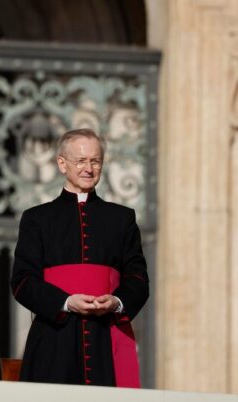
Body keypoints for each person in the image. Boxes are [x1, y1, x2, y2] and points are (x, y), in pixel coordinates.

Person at [10, 128, 149, 387]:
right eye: (81, 161)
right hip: (54, 338)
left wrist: (117, 301)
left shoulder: (122, 218)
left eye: (95, 161)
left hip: (106, 338)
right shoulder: (37, 219)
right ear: (62, 164)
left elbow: (138, 278)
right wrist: (65, 302)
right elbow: (22, 281)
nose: (89, 168)